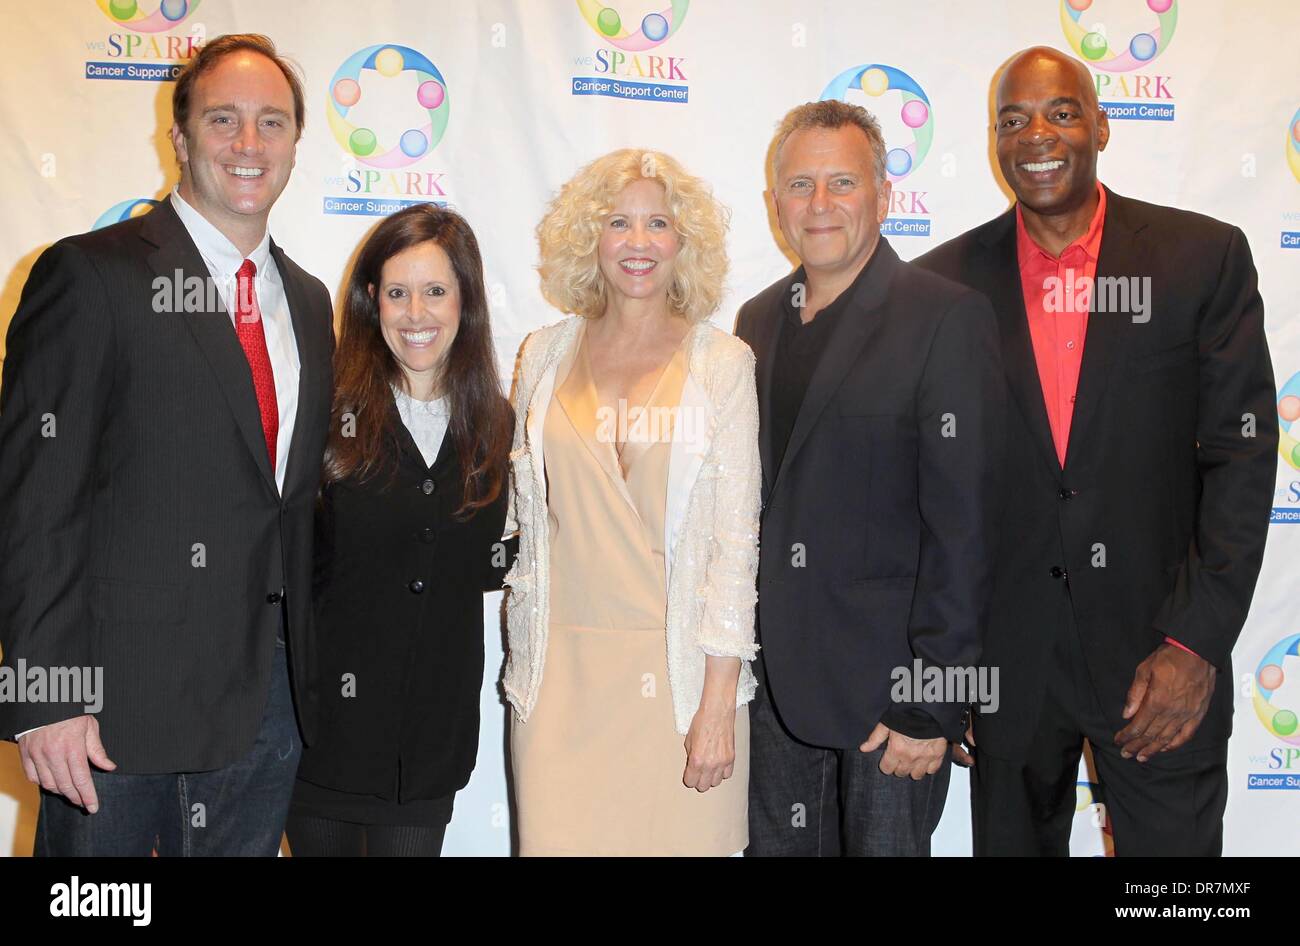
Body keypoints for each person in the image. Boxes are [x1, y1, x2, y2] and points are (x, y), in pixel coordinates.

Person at [916, 46, 1276, 856]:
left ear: (1102, 127)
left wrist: (1193, 646)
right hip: (1006, 672)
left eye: (1060, 112)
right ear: (993, 143)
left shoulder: (1198, 259)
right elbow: (939, 494)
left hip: (1160, 659)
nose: (1035, 134)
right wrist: (951, 670)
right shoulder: (944, 288)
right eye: (1012, 120)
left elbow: (1241, 461)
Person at [0, 34, 334, 855]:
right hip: (114, 723)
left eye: (272, 122)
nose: (248, 145)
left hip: (268, 713)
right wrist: (46, 697)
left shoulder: (310, 302)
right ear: (179, 139)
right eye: (223, 120)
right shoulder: (91, 276)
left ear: (296, 143)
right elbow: (36, 501)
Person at [737, 100, 1004, 857]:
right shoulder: (756, 322)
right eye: (799, 185)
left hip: (895, 703)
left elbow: (969, 523)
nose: (819, 205)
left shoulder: (945, 317)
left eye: (842, 183)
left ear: (884, 196)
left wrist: (936, 698)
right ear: (774, 202)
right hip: (776, 694)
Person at [503, 148, 760, 856]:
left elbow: (737, 549)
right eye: (619, 222)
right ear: (591, 237)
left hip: (678, 684)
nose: (639, 243)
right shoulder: (544, 356)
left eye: (658, 223)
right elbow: (518, 517)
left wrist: (716, 702)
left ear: (686, 242)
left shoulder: (722, 365)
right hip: (559, 679)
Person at [286, 204, 513, 857]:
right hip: (322, 739)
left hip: (426, 747)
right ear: (371, 302)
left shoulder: (496, 426)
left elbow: (488, 562)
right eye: (397, 293)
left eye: (436, 291)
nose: (417, 313)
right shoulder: (325, 416)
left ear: (465, 301)